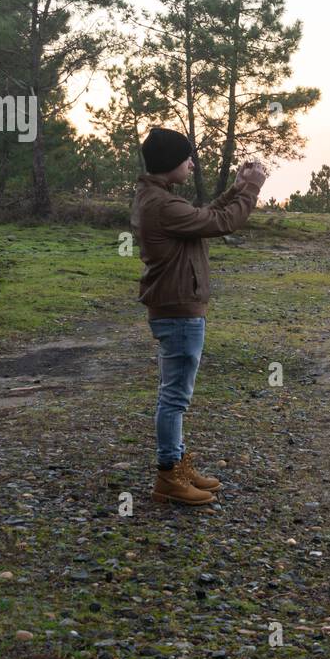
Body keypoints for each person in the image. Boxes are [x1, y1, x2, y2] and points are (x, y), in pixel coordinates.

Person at [130, 126, 268, 505]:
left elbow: (204, 216)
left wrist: (237, 190)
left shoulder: (159, 199)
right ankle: (169, 477)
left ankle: (176, 466)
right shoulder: (162, 205)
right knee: (174, 398)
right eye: (187, 157)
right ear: (171, 163)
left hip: (177, 308)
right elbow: (220, 223)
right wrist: (252, 189)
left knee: (174, 395)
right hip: (178, 311)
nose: (192, 163)